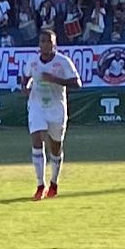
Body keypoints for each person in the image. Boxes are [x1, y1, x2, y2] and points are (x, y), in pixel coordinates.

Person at [21, 28, 81, 200]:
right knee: (36, 139)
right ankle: (40, 185)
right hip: (36, 105)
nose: (45, 45)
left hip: (56, 108)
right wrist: (24, 88)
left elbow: (77, 83)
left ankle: (54, 182)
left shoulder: (63, 62)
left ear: (55, 45)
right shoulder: (32, 61)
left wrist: (56, 80)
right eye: (42, 41)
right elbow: (25, 79)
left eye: (49, 42)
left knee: (55, 147)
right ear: (39, 44)